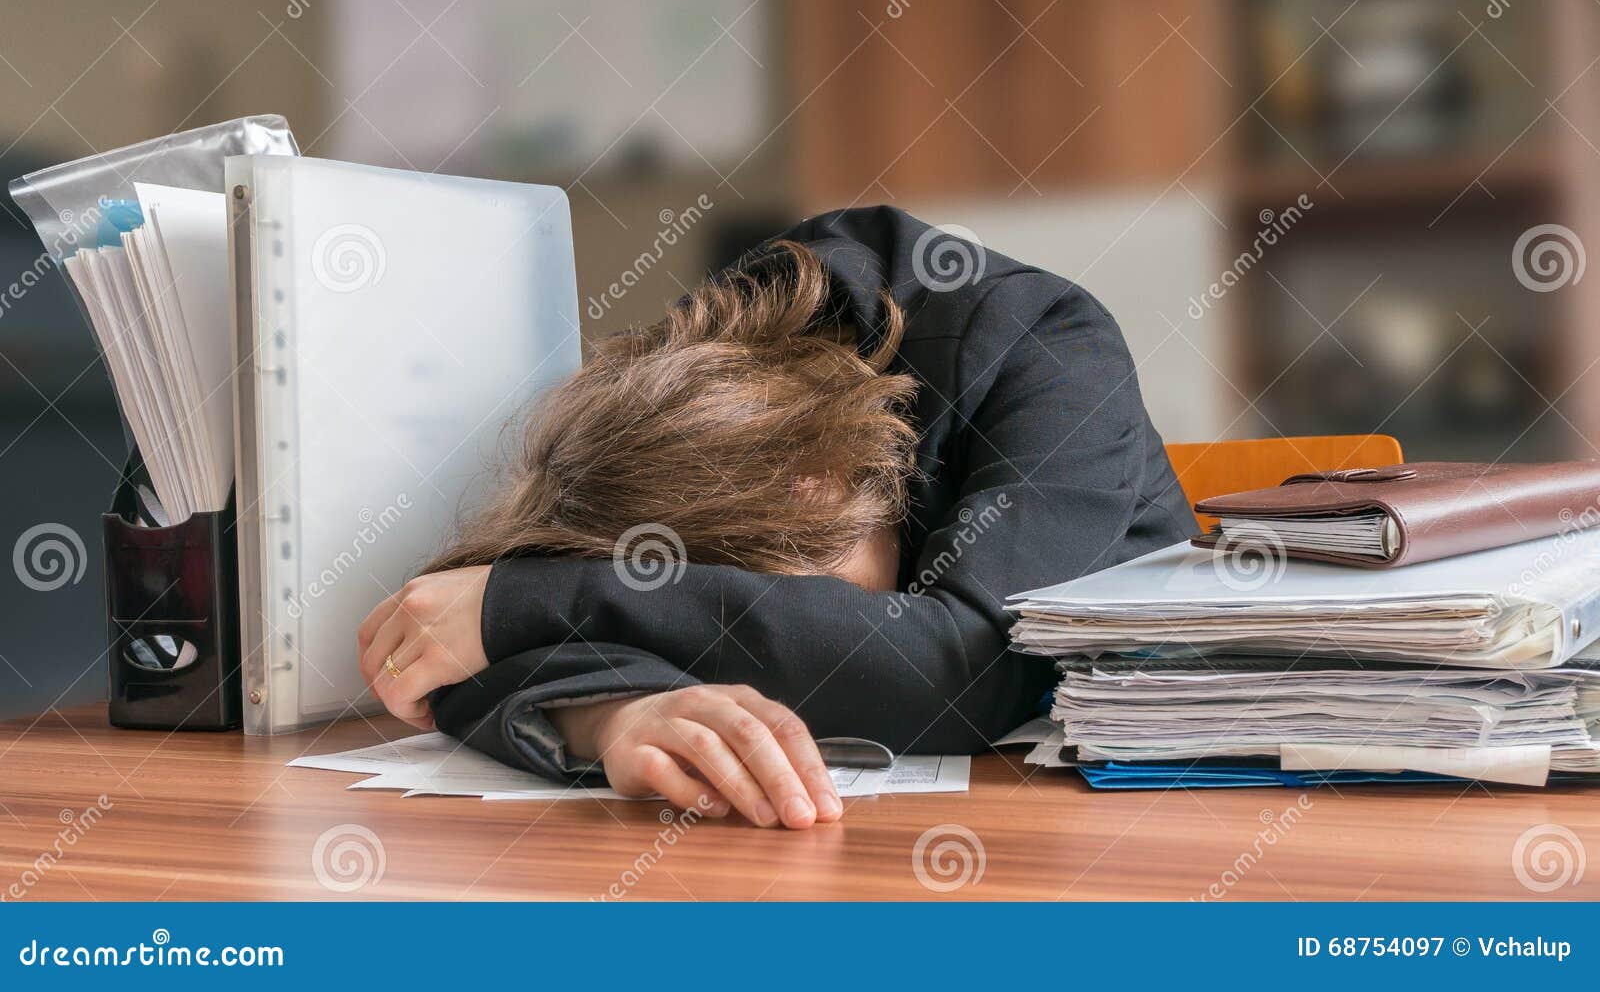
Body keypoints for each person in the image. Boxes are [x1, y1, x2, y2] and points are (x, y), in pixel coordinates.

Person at [357, 206, 1195, 829]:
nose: (778, 644)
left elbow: (956, 669)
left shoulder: (1051, 349)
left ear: (814, 484)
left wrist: (534, 605)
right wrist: (614, 711)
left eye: (772, 610)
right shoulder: (702, 387)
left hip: (1112, 840)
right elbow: (451, 648)